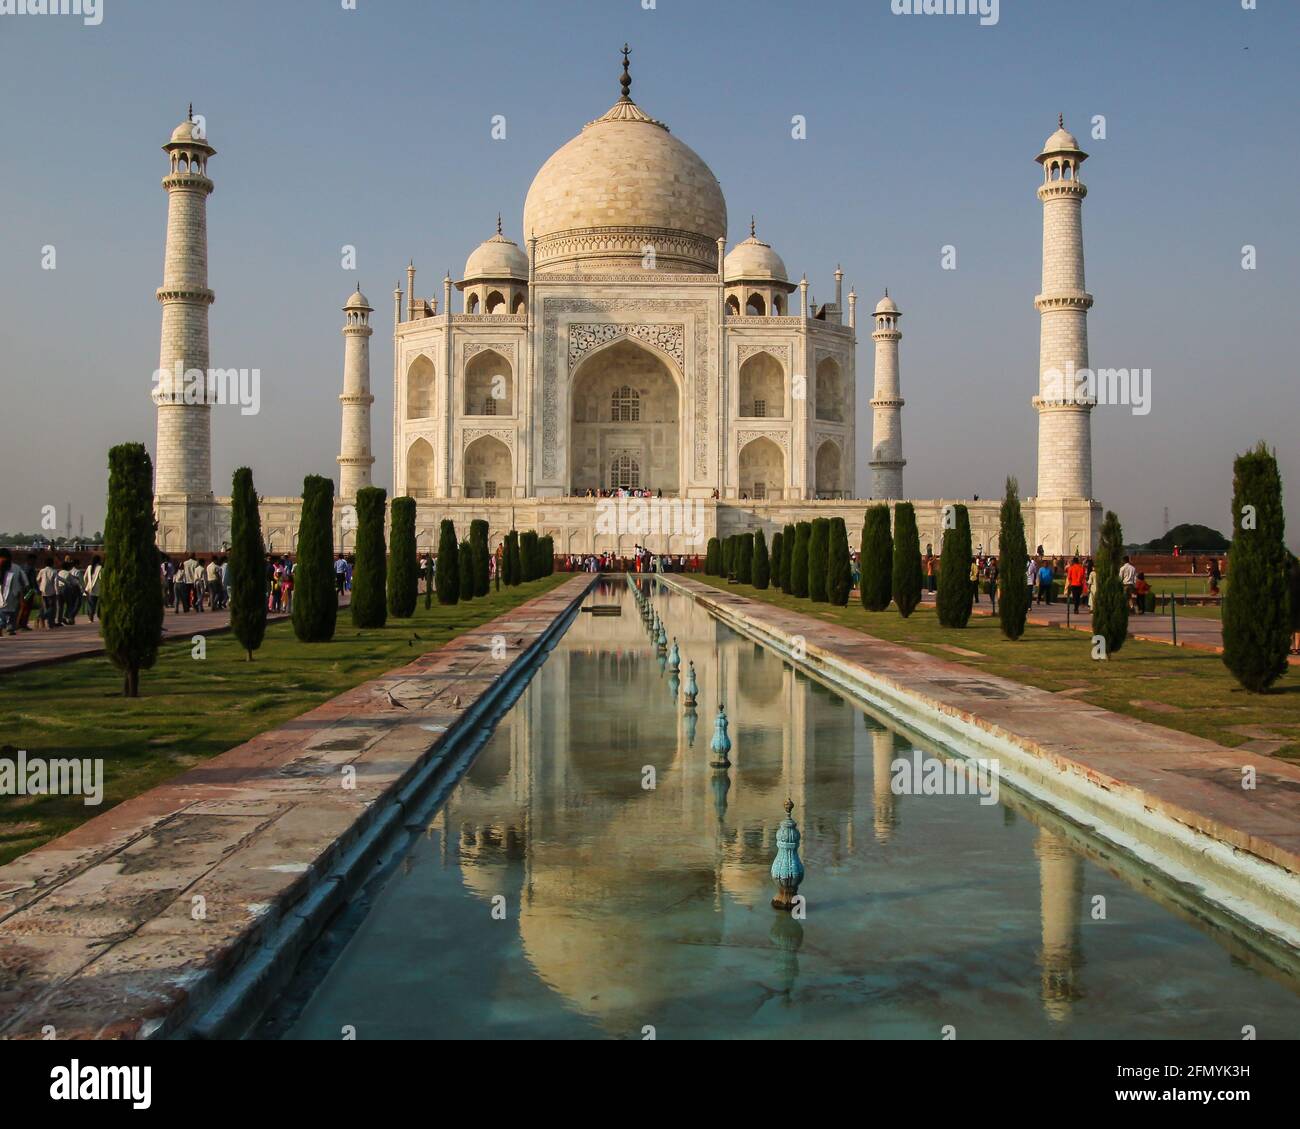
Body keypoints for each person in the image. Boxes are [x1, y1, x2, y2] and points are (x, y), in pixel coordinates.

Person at [0, 549, 19, 635]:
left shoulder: (14, 569)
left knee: (10, 613)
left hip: (11, 596)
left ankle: (10, 627)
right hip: (4, 597)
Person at [83, 555, 103, 622]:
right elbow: (101, 578)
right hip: (99, 589)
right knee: (100, 604)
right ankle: (100, 616)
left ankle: (90, 618)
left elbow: (85, 577)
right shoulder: (100, 568)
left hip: (90, 588)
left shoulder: (89, 567)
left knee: (91, 604)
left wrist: (87, 585)